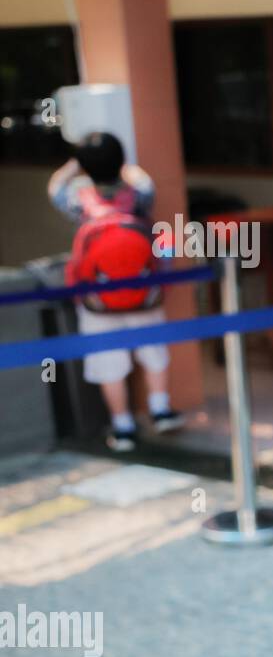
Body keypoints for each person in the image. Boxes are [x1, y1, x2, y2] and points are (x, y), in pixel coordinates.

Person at [48, 132, 184, 453]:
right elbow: (142, 178)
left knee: (108, 362)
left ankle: (123, 427)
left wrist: (74, 164)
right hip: (143, 293)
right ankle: (160, 409)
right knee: (154, 352)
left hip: (97, 299)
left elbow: (54, 188)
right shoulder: (139, 197)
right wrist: (126, 165)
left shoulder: (77, 200)